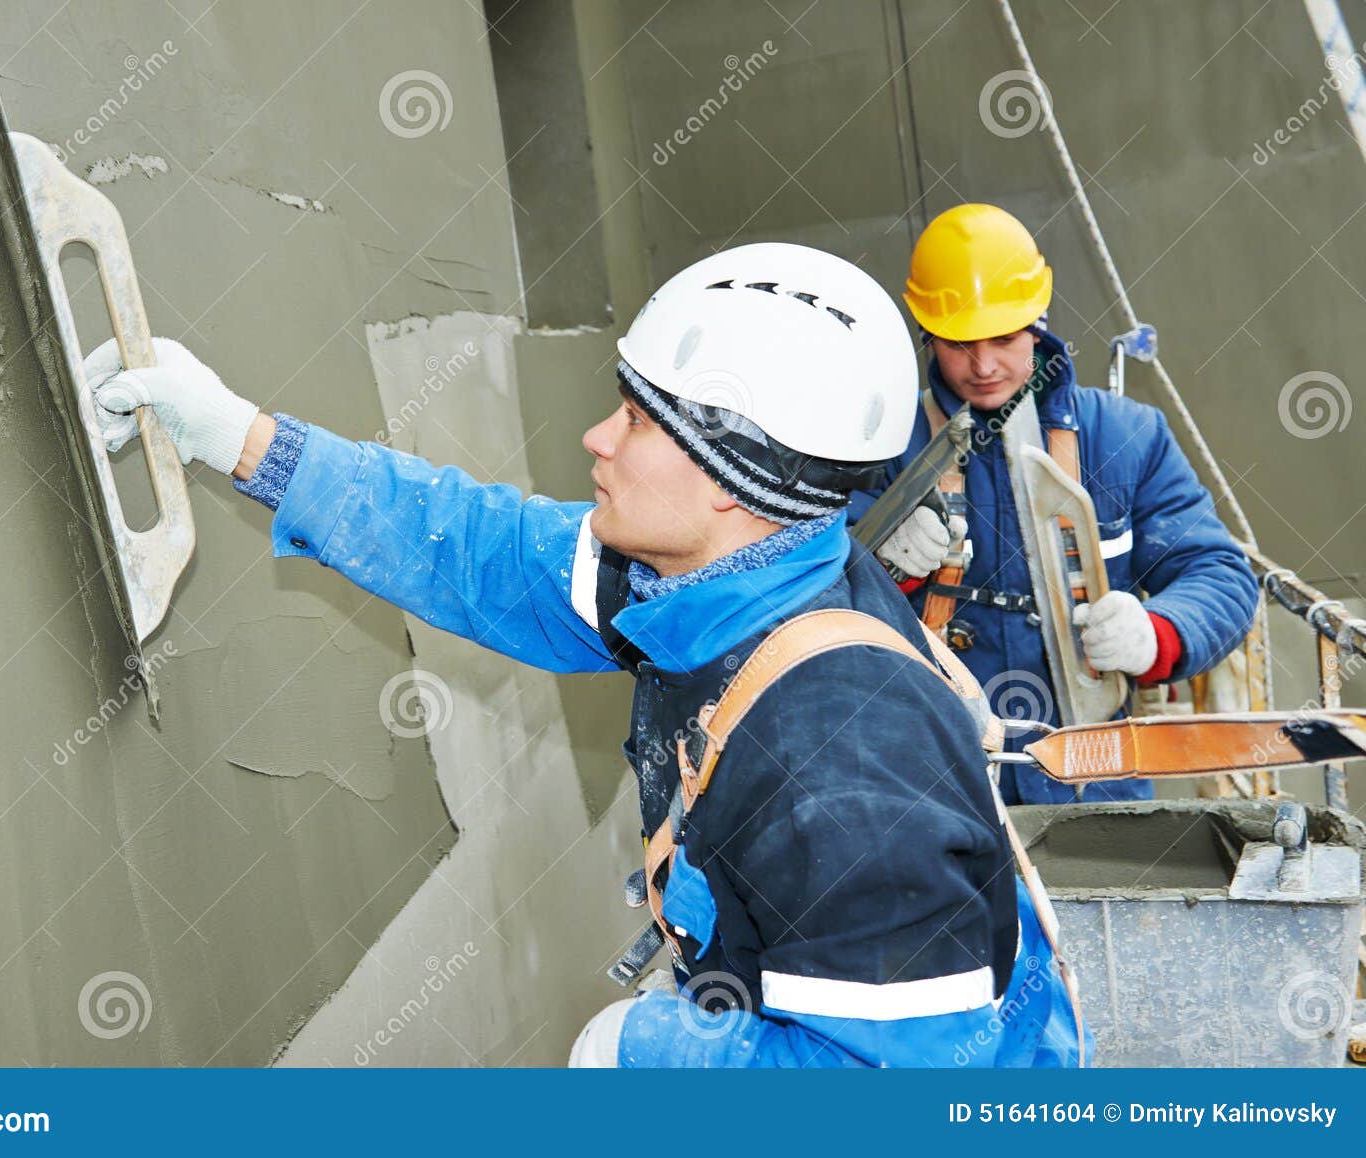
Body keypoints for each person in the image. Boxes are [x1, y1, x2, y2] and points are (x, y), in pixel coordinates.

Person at [83, 242, 1082, 1067]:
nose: (597, 437)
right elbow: (475, 548)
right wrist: (239, 438)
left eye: (640, 422)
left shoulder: (839, 756)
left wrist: (649, 1053)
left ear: (731, 481)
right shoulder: (706, 581)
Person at [857, 203, 1259, 804]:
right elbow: (807, 597)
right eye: (960, 343)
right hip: (933, 784)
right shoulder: (884, 445)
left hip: (1095, 778)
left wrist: (1157, 634)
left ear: (1038, 323)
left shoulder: (1126, 436)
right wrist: (880, 563)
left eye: (1004, 338)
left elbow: (1219, 574)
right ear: (929, 335)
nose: (984, 365)